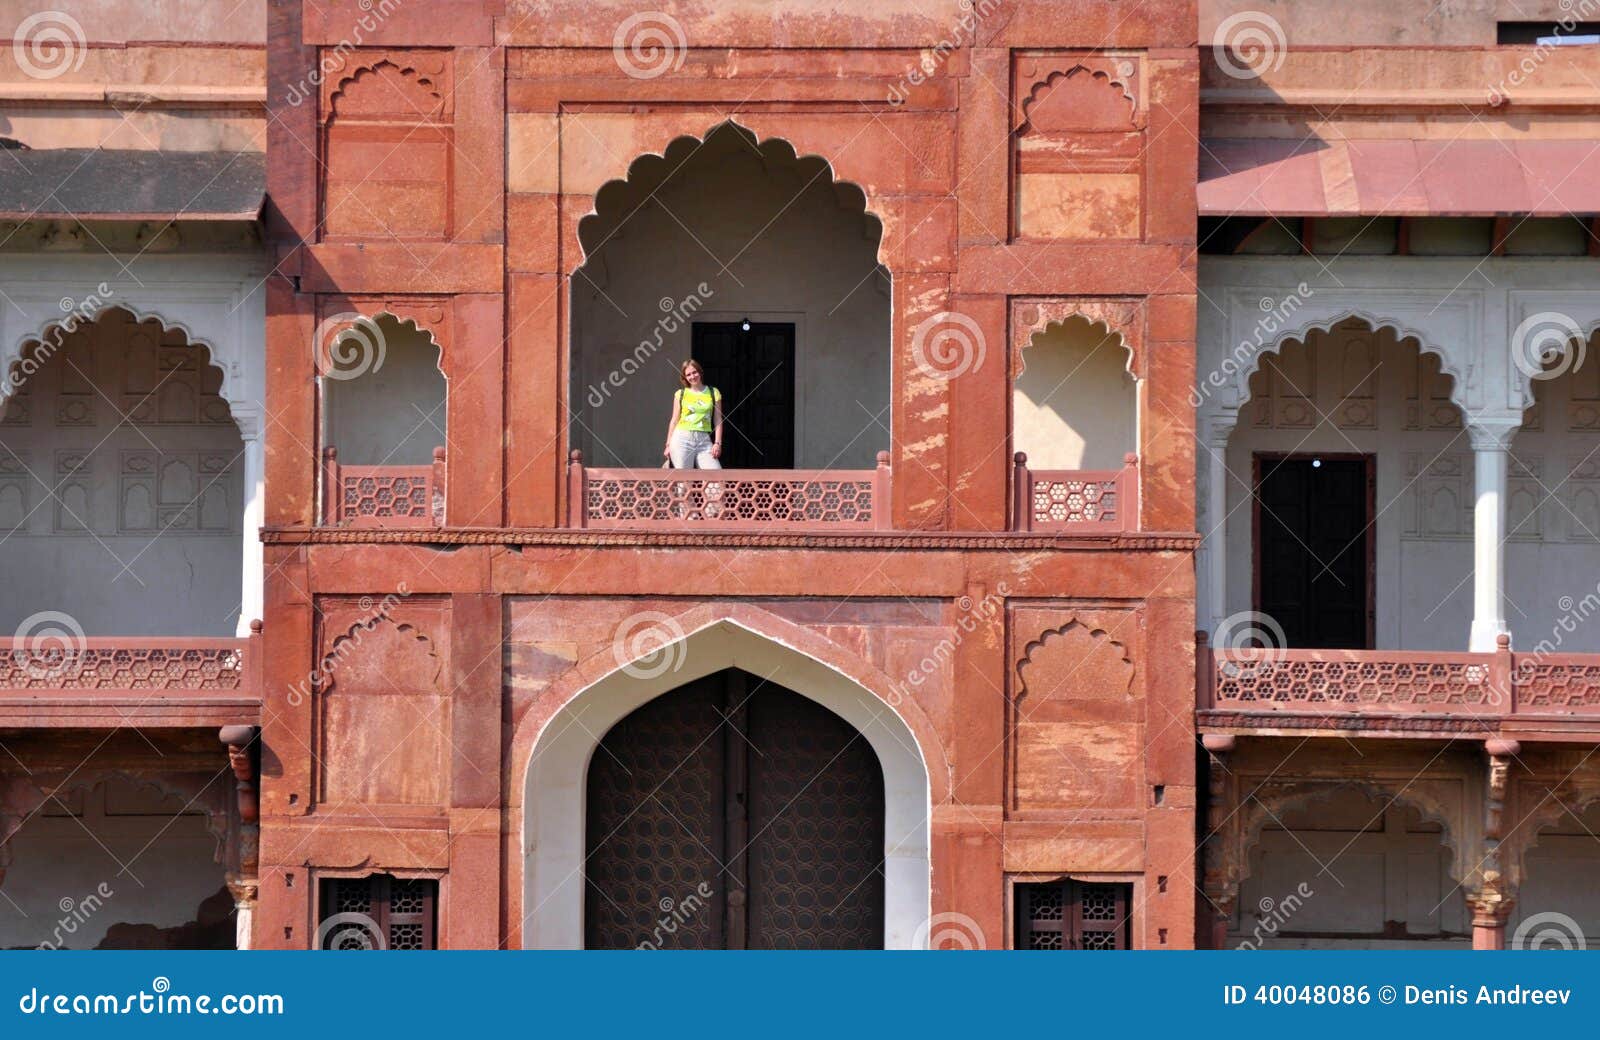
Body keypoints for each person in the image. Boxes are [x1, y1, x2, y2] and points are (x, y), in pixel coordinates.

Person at [664, 359, 723, 469]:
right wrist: (668, 445)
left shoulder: (713, 392)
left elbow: (718, 419)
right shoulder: (680, 394)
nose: (692, 376)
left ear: (700, 372)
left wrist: (717, 443)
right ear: (685, 377)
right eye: (688, 374)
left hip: (704, 439)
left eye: (694, 372)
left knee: (716, 479)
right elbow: (674, 421)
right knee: (684, 481)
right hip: (681, 438)